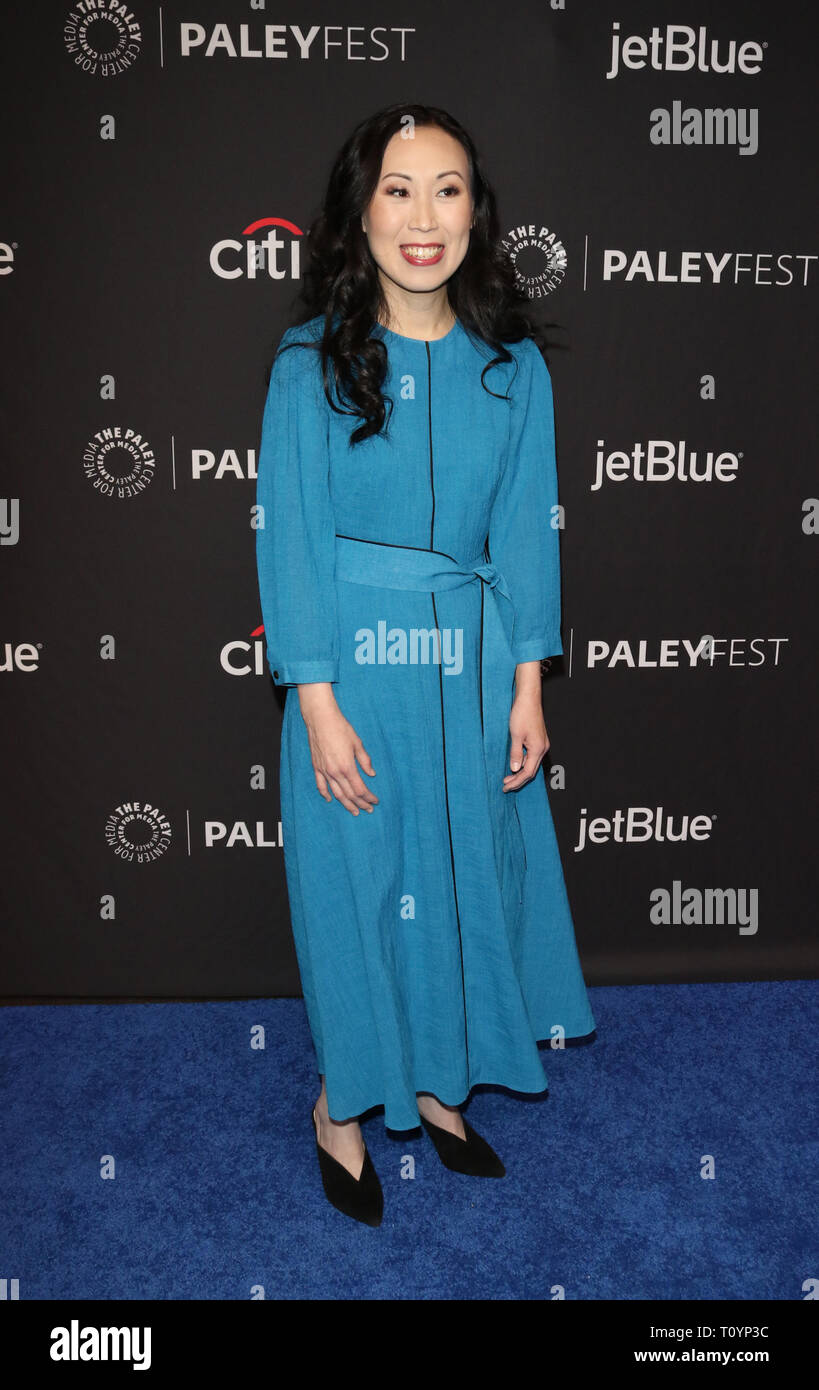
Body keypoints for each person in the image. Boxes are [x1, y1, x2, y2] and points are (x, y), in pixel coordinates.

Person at [255, 102, 596, 1227]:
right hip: (351, 666)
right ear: (359, 214)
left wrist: (528, 685)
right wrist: (315, 702)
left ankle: (443, 1084)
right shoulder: (310, 362)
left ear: (474, 213)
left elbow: (526, 537)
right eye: (397, 190)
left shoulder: (514, 370)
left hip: (474, 663)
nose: (423, 216)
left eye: (447, 190)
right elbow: (292, 539)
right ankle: (342, 1106)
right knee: (358, 890)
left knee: (463, 878)